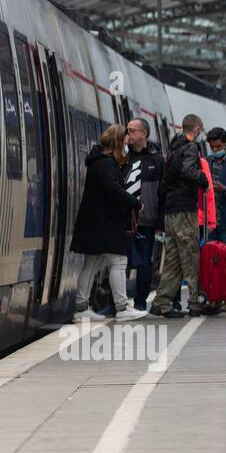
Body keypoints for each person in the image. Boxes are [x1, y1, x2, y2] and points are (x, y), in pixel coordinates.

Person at [71, 124, 148, 321]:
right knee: (118, 261)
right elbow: (114, 190)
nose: (126, 144)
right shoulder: (105, 164)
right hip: (104, 223)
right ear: (117, 142)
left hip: (95, 222)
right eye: (124, 141)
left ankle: (81, 309)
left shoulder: (99, 161)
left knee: (93, 262)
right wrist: (136, 204)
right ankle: (122, 308)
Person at [150, 113, 215, 317]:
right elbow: (188, 171)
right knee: (190, 253)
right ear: (195, 129)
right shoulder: (190, 147)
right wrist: (203, 179)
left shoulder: (173, 147)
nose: (200, 134)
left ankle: (162, 302)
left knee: (173, 257)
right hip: (184, 209)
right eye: (200, 130)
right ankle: (196, 301)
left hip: (171, 209)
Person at [122, 117, 165, 313]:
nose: (128, 134)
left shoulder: (156, 159)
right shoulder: (122, 157)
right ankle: (116, 301)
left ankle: (140, 300)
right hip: (122, 218)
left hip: (146, 219)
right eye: (127, 130)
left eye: (132, 130)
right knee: (119, 260)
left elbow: (163, 192)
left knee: (145, 261)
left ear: (143, 134)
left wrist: (160, 219)